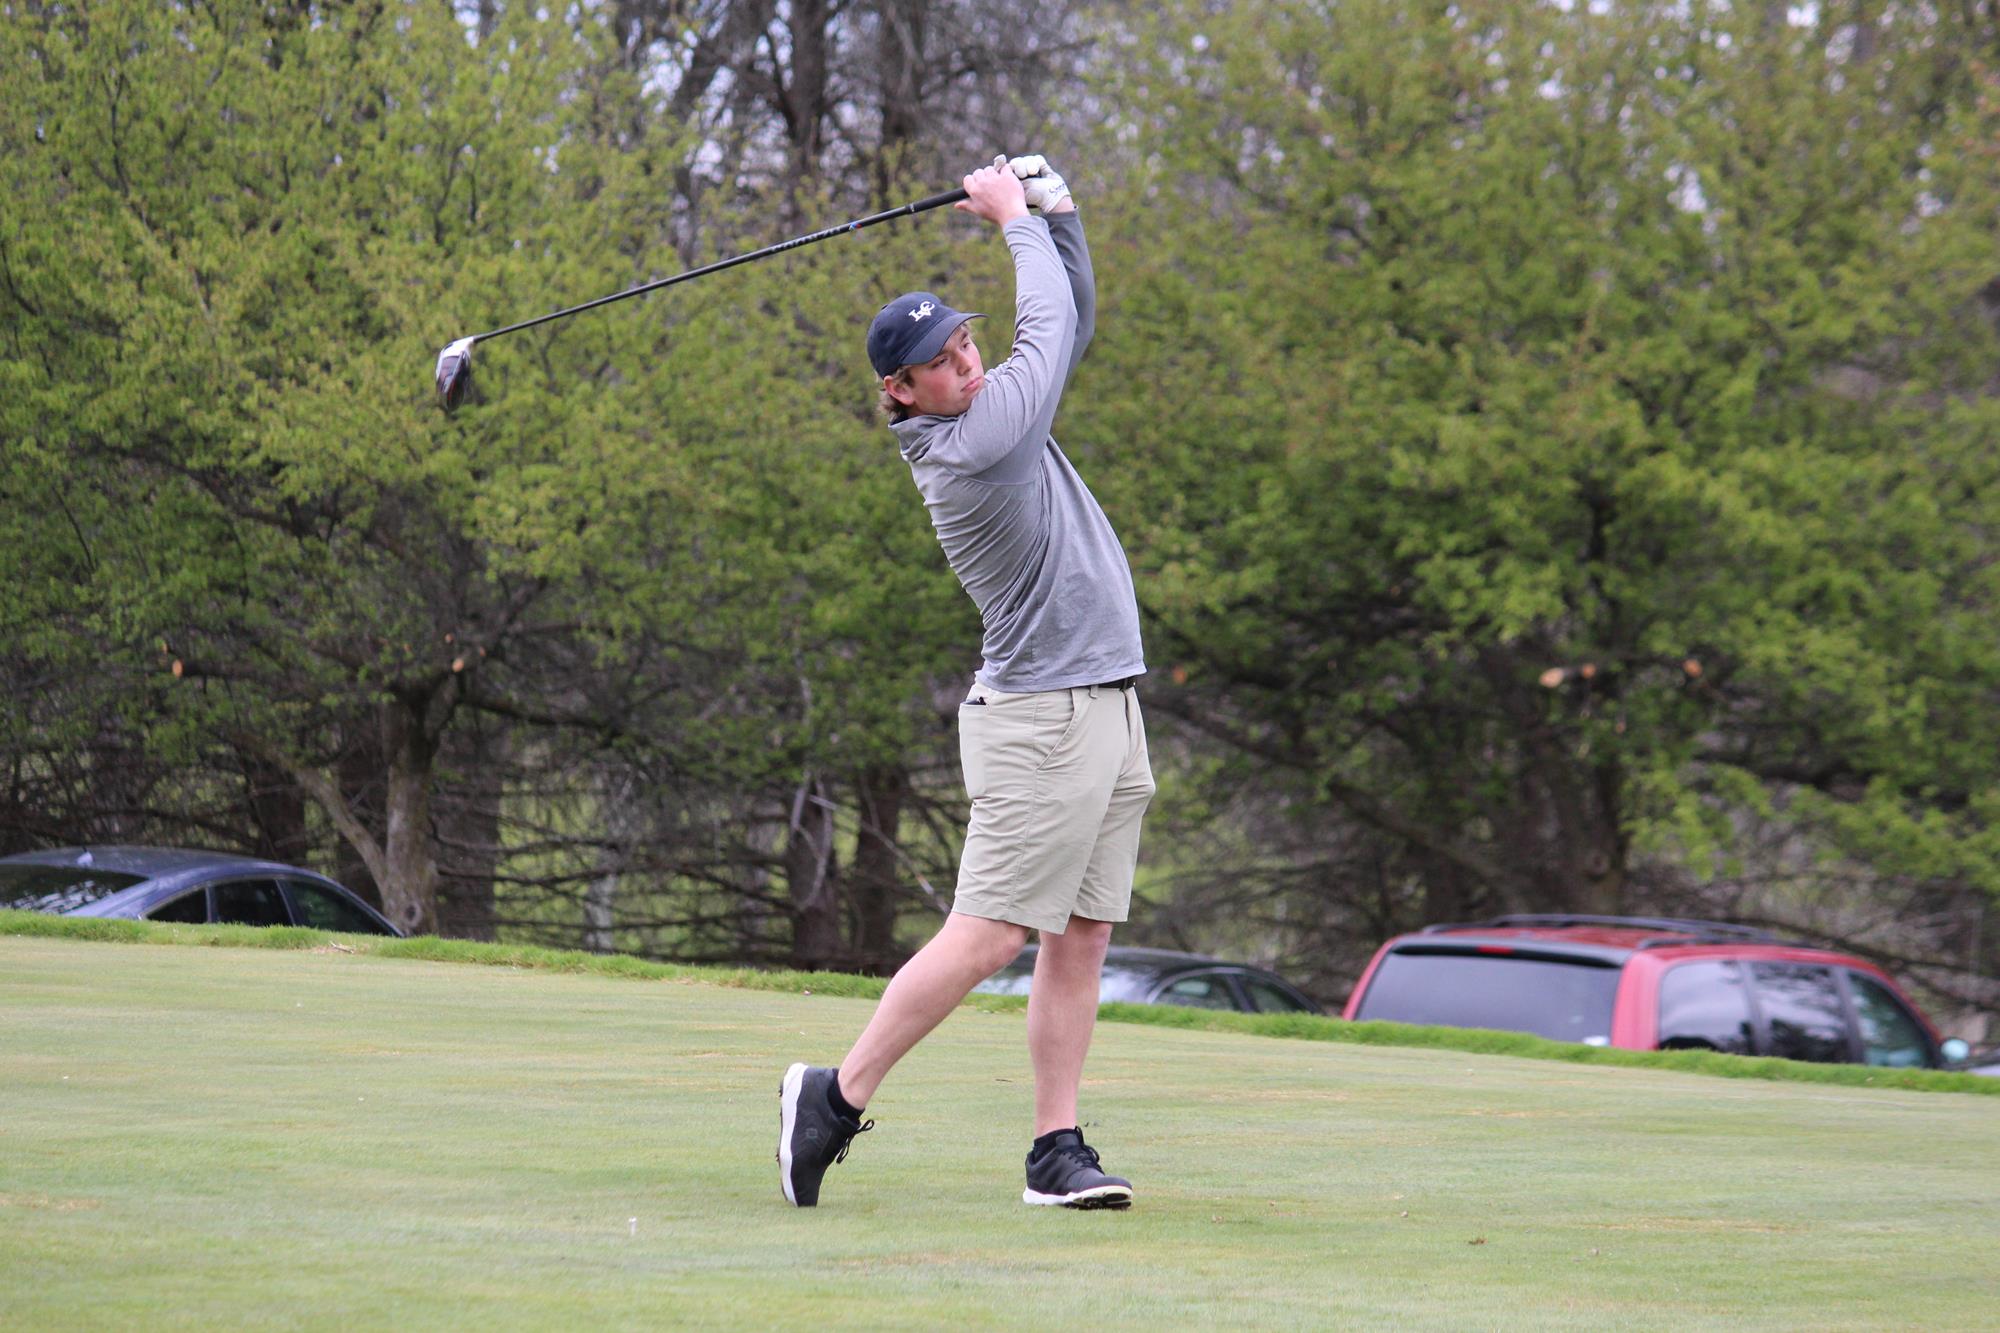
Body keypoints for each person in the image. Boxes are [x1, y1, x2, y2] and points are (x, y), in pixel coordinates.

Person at [777, 154, 1154, 1210]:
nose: (969, 364)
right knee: (989, 932)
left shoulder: (989, 406)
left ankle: (1054, 1150)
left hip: (1101, 704)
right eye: (945, 361)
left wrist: (1058, 211)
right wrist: (1009, 222)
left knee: (1080, 936)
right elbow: (1046, 340)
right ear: (903, 392)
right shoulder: (971, 447)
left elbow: (1061, 326)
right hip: (1041, 718)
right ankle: (833, 1098)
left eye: (966, 342)